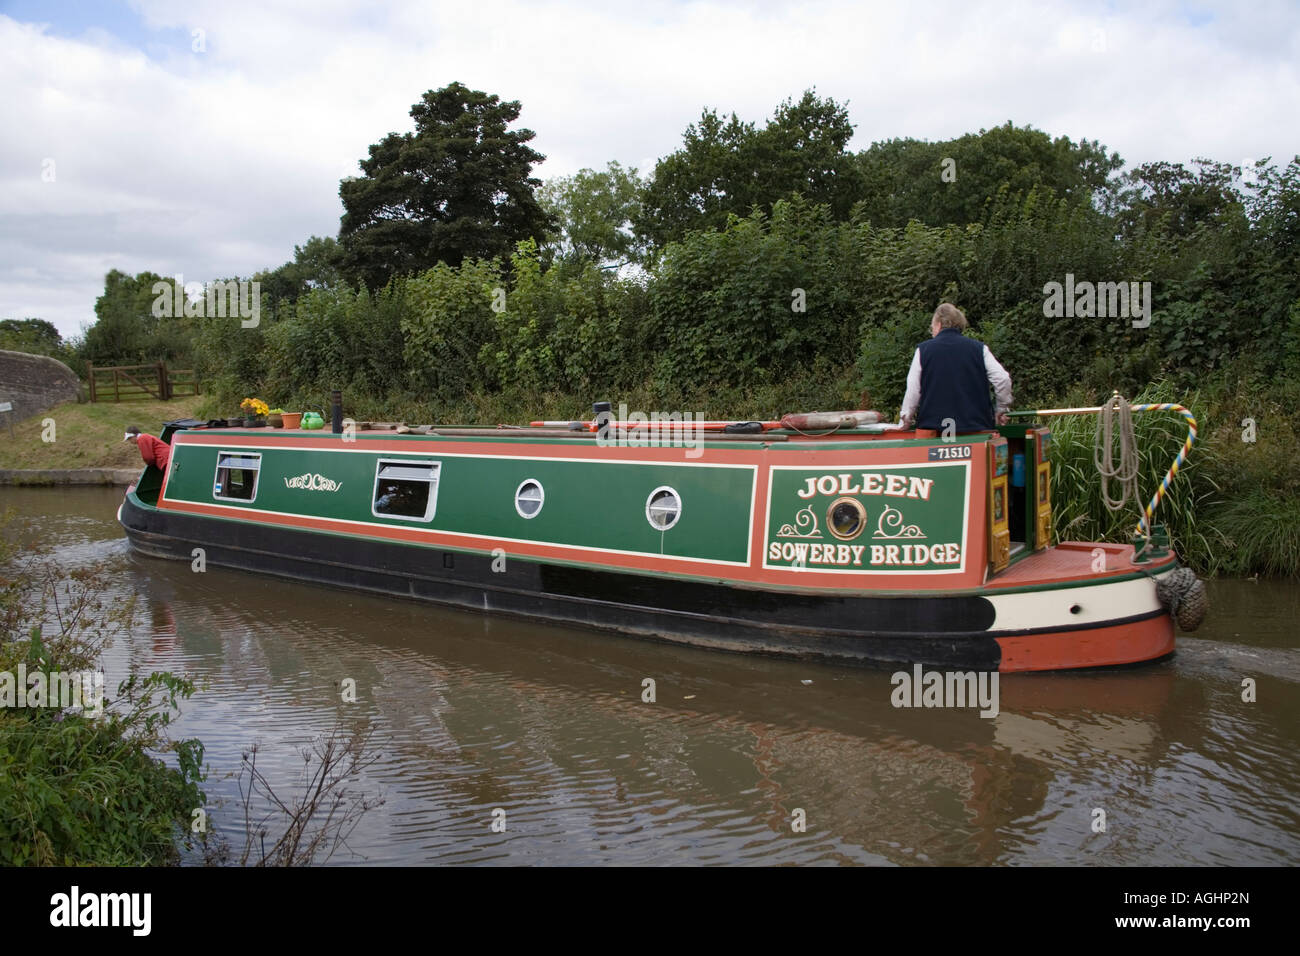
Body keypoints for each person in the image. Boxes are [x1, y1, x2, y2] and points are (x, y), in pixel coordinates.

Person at [899, 303, 1012, 432]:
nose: (932, 334)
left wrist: (905, 419)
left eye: (932, 329)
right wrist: (1001, 409)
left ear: (939, 324)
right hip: (976, 428)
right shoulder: (979, 349)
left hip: (934, 430)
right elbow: (1002, 379)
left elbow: (913, 389)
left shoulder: (923, 351)